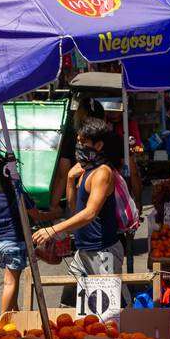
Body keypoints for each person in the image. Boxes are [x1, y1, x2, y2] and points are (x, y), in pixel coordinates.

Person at [35, 118, 127, 287]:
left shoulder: (102, 173)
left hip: (102, 252)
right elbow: (74, 207)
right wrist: (70, 178)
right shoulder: (86, 169)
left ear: (98, 146)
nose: (79, 145)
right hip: (83, 252)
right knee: (69, 307)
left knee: (108, 310)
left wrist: (53, 230)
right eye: (78, 141)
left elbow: (90, 213)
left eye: (84, 142)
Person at [0, 153, 44, 314]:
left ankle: (15, 311)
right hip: (14, 243)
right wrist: (55, 213)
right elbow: (36, 216)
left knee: (11, 280)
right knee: (11, 283)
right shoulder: (19, 195)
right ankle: (3, 320)